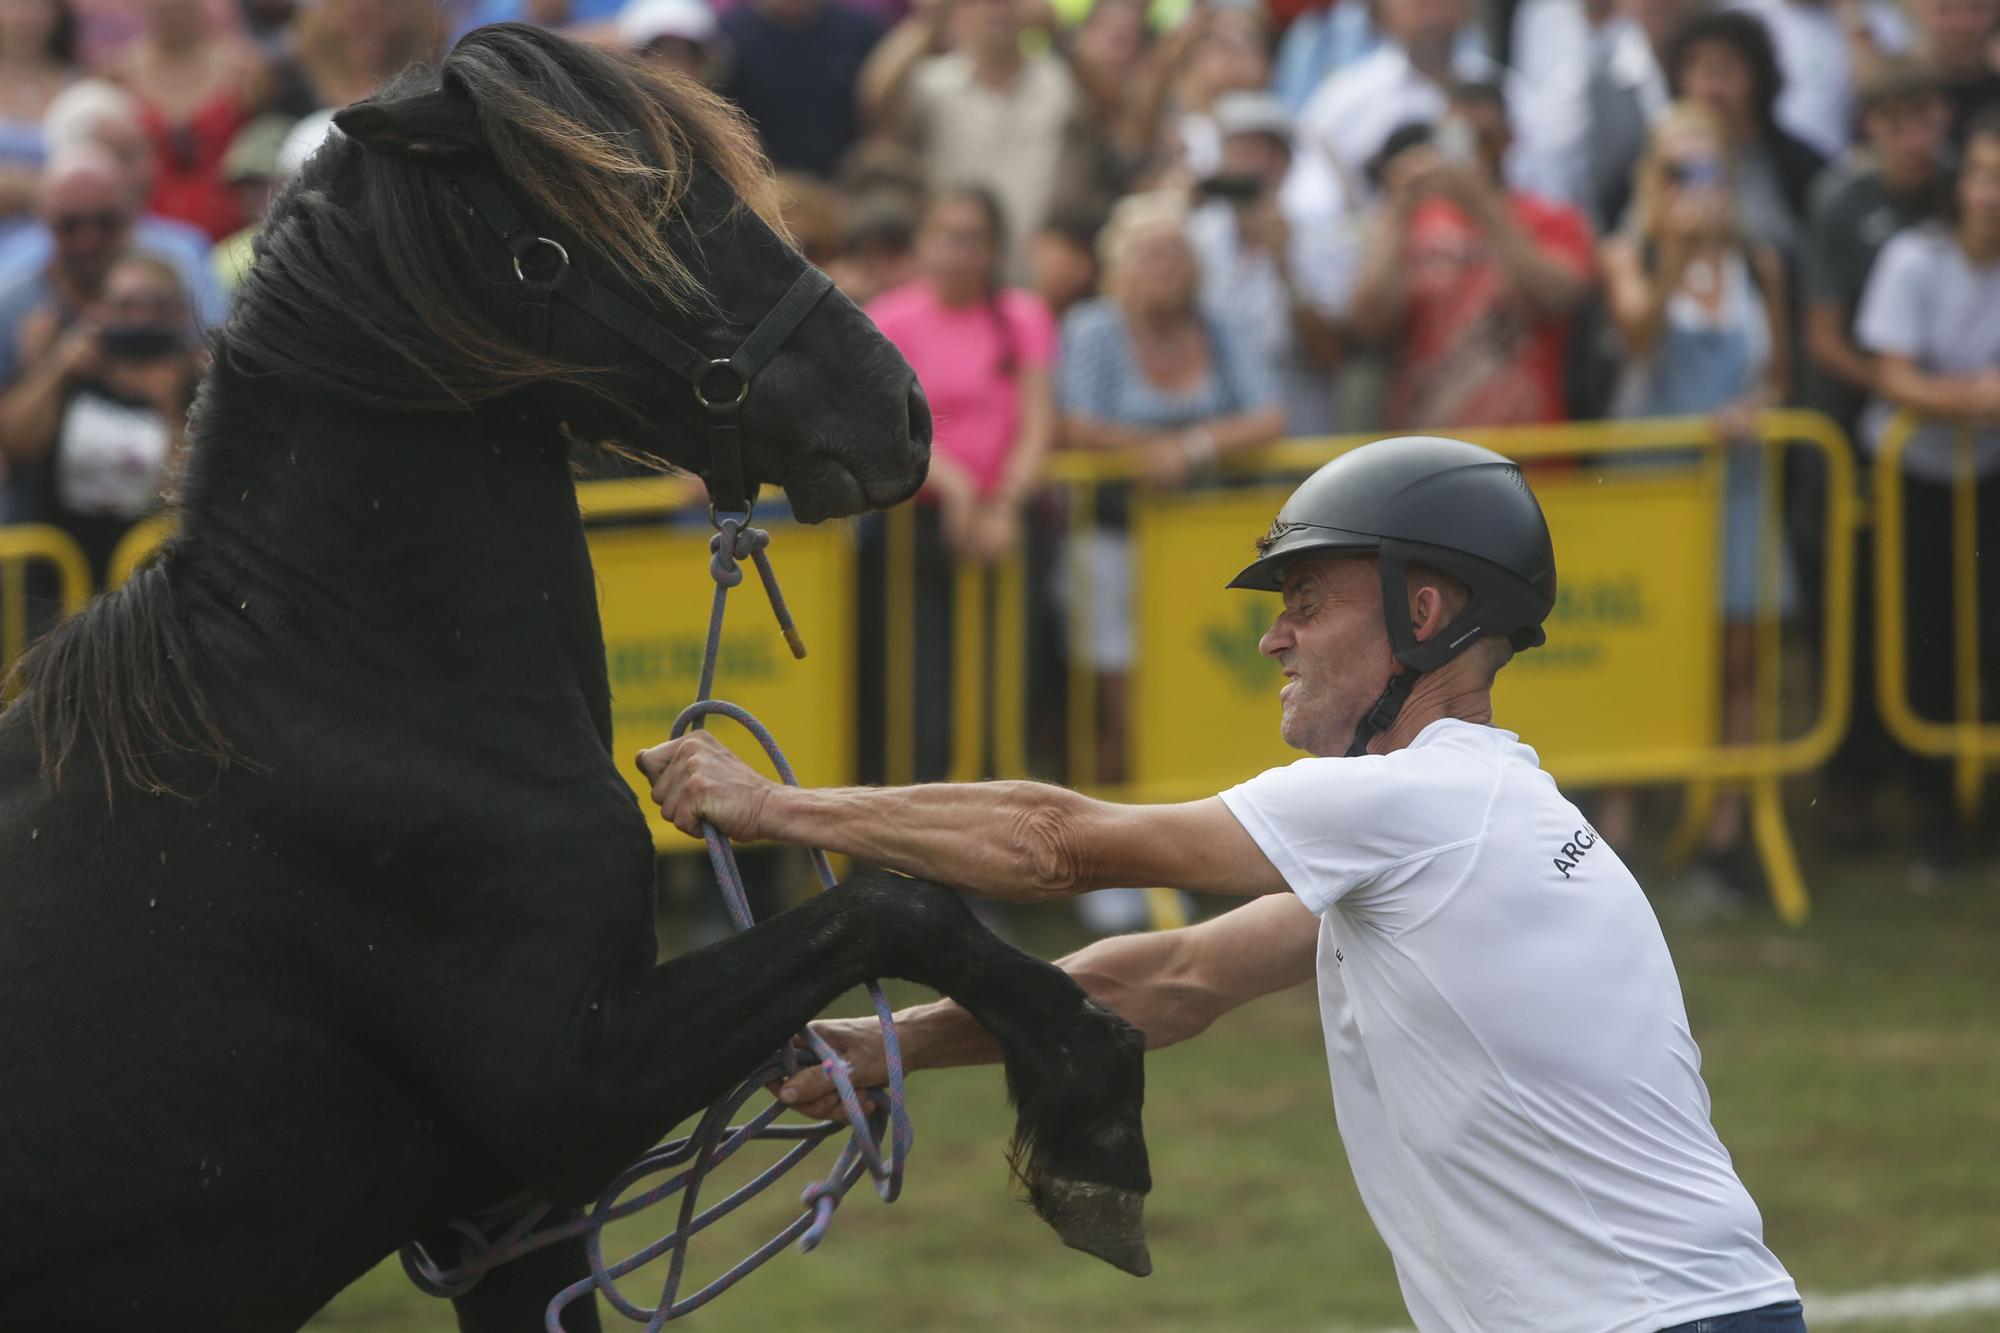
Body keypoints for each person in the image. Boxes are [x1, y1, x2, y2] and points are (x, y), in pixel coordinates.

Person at [638, 436, 1806, 1333]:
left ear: (1422, 611)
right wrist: (887, 1046)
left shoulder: (1423, 798)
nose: (1272, 639)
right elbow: (1177, 976)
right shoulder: (1455, 819)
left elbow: (1054, 843)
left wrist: (775, 807)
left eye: (1305, 604)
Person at [1600, 101, 1793, 894]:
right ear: (1652, 176)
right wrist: (1676, 251)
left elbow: (1780, 378)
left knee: (1738, 654)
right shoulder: (1630, 252)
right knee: (1640, 646)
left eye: (1705, 167)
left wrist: (1755, 410)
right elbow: (1637, 334)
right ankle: (1618, 829)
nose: (1693, 185)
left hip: (1737, 480)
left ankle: (1725, 831)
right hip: (1652, 482)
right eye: (1676, 169)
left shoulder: (1759, 263)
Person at [1798, 58, 1955, 847]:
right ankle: (1853, 790)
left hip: (1943, 442)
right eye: (1895, 121)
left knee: (1940, 607)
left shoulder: (1965, 189)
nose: (1913, 137)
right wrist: (1906, 387)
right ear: (1870, 128)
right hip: (1851, 438)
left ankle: (1941, 791)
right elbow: (1822, 336)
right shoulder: (1843, 199)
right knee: (1851, 611)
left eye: (1924, 117)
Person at [863, 186, 1059, 781]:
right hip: (915, 528)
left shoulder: (1023, 315)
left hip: (1010, 521)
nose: (961, 252)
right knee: (925, 687)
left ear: (995, 248)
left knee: (1010, 679)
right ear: (923, 242)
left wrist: (1004, 502)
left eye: (974, 239)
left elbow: (1037, 421)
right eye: (948, 236)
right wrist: (954, 486)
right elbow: (886, 424)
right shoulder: (889, 317)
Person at [1852, 106, 2000, 879]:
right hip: (1912, 473)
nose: (1990, 194)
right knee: (1925, 645)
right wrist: (1968, 400)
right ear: (1959, 181)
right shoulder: (1914, 257)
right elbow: (1892, 372)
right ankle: (1934, 816)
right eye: (1980, 175)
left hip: (1990, 472)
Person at [1348, 83, 1595, 431]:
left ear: (1509, 139)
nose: (1474, 152)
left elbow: (1558, 297)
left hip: (1532, 446)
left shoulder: (1554, 219)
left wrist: (1482, 206)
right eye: (1460, 138)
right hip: (1430, 447)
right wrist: (1396, 208)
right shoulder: (1411, 220)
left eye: (1486, 139)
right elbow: (1368, 322)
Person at [0, 249, 200, 580]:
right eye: (126, 306)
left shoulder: (193, 386)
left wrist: (170, 410)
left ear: (181, 316)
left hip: (150, 581)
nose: (141, 319)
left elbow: (186, 494)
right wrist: (54, 368)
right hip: (60, 578)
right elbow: (17, 444)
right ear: (99, 311)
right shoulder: (71, 373)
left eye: (158, 307)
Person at [860, 0, 1091, 280]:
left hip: (1036, 270)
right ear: (957, 11)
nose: (995, 9)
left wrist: (1056, 28)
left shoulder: (1059, 81)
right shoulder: (933, 82)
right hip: (954, 270)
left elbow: (1105, 102)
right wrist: (927, 23)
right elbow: (876, 100)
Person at [1281, 0, 1564, 221]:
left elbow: (1549, 194)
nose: (1432, 12)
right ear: (1380, 15)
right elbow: (1308, 200)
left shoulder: (1510, 93)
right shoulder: (1343, 102)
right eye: (1416, 3)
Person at [0, 78, 230, 331]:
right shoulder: (14, 272)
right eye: (69, 225)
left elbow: (216, 343)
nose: (88, 240)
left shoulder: (183, 259)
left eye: (106, 223)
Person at [1185, 90, 1347, 436]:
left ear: (1287, 164)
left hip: (1299, 437)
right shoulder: (1193, 236)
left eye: (1268, 152)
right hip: (1213, 439)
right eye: (1243, 149)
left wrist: (1285, 267)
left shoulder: (1324, 238)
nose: (1255, 163)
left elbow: (1329, 355)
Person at [1665, 9, 1826, 263]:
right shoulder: (1658, 159)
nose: (1711, 86)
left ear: (1757, 75)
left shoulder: (1802, 167)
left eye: (1724, 67)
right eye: (1696, 67)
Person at [108, 0, 275, 242]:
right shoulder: (117, 74)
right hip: (148, 233)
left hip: (235, 231)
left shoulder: (246, 69)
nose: (172, 11)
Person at [717, 0, 882, 179]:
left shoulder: (859, 31)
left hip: (849, 177)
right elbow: (726, 120)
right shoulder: (727, 38)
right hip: (763, 179)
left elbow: (878, 113)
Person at [0, 0, 81, 249]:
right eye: (13, 4)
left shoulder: (81, 88)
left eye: (37, 5)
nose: (24, 17)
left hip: (63, 245)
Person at [1909, 0, 2000, 146]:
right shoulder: (1907, 83)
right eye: (1944, 10)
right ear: (1920, 12)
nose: (1963, 24)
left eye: (1976, 9)